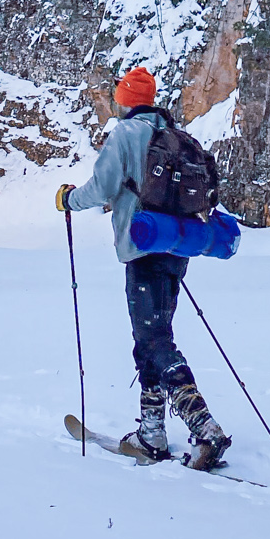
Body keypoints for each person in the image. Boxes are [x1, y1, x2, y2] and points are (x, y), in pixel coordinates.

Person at [57, 65, 231, 468]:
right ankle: (152, 431)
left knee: (154, 342)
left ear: (124, 99)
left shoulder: (126, 134)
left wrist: (67, 200)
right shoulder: (173, 135)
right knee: (152, 338)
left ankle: (204, 427)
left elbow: (101, 188)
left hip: (143, 247)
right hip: (176, 247)